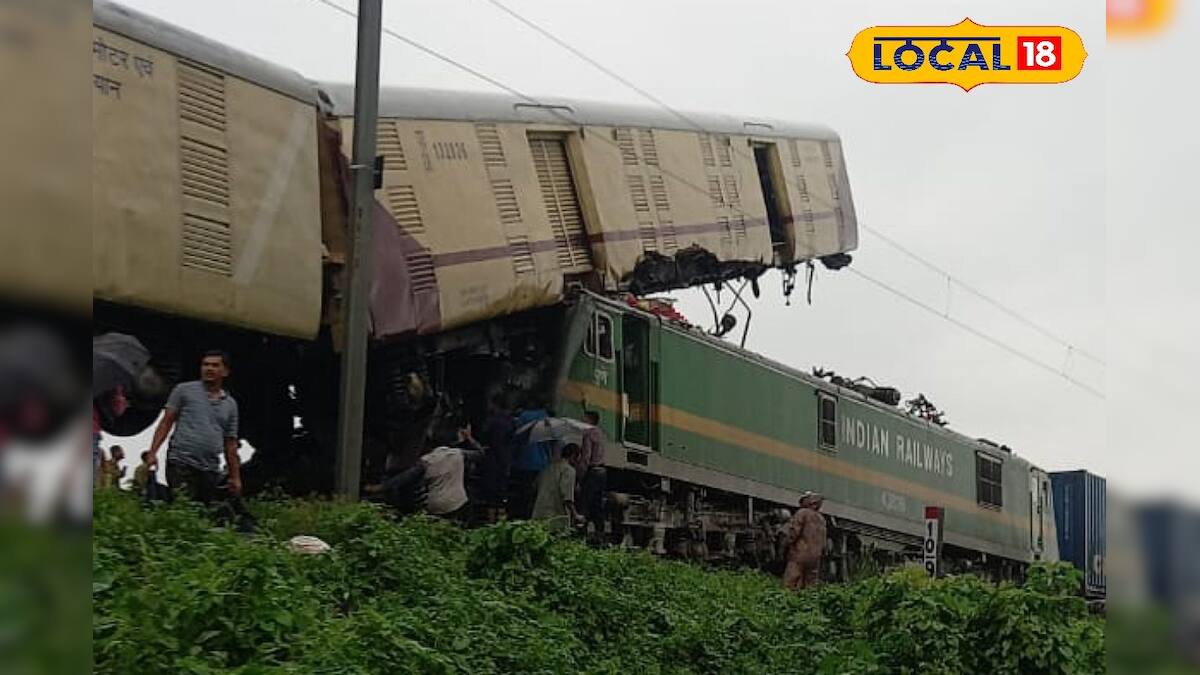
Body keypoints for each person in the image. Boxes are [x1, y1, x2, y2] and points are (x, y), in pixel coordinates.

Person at [146, 350, 254, 532]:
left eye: (214, 365)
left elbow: (230, 443)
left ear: (225, 372)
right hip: (181, 461)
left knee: (203, 514)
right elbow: (166, 422)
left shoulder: (230, 404)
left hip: (209, 467)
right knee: (182, 509)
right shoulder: (184, 390)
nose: (209, 369)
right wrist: (152, 452)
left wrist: (235, 476)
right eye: (205, 364)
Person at [509, 398, 551, 519]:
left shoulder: (523, 416)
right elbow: (549, 441)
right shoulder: (545, 417)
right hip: (542, 462)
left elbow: (516, 436)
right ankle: (532, 515)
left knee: (523, 491)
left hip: (524, 461)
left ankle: (522, 515)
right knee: (536, 492)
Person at [479, 393, 516, 517]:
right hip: (506, 460)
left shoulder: (492, 420)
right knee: (501, 496)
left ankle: (490, 522)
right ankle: (501, 525)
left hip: (492, 460)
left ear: (495, 404)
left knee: (491, 496)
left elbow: (484, 436)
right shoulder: (511, 420)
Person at [783, 492, 827, 591]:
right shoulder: (821, 519)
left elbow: (794, 532)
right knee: (811, 582)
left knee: (792, 579)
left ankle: (788, 599)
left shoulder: (802, 513)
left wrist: (787, 543)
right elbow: (824, 541)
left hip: (800, 553)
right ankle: (808, 601)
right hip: (815, 556)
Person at [532, 442, 580, 533]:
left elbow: (535, 486)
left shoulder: (547, 467)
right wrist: (576, 514)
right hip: (556, 517)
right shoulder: (569, 471)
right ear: (574, 456)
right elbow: (567, 497)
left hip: (538, 513)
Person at [574, 411, 607, 539]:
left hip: (592, 472)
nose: (582, 420)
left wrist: (579, 475)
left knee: (584, 504)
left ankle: (581, 534)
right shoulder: (600, 433)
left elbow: (586, 457)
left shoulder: (588, 433)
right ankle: (600, 534)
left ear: (589, 420)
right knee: (597, 505)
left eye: (584, 418)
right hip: (602, 472)